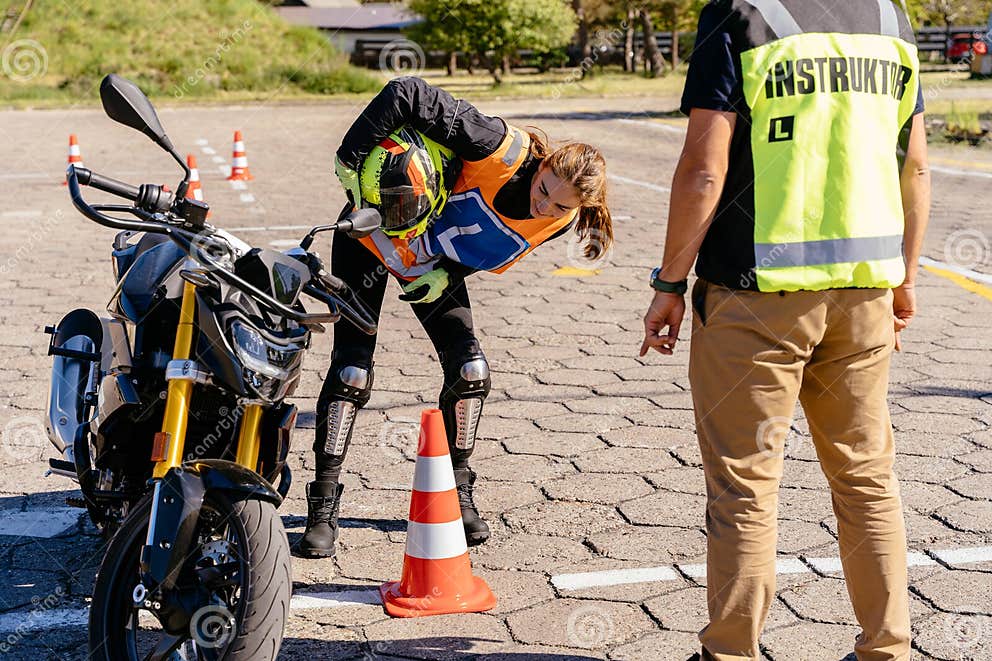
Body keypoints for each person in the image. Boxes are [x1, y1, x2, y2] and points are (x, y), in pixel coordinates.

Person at [639, 1, 930, 659]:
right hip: (863, 295)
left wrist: (670, 283)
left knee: (744, 485)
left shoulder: (741, 15)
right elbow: (913, 165)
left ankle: (731, 652)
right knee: (866, 477)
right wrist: (905, 276)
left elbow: (704, 169)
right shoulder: (890, 18)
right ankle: (887, 648)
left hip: (754, 295)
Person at [299, 76, 613, 558]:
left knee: (470, 372)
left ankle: (456, 494)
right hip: (371, 235)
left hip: (428, 263)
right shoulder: (496, 146)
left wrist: (446, 274)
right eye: (544, 188)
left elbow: (484, 243)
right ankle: (323, 505)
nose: (544, 205)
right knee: (351, 370)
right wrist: (350, 157)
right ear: (544, 164)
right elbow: (406, 92)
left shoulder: (559, 220)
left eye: (559, 204)